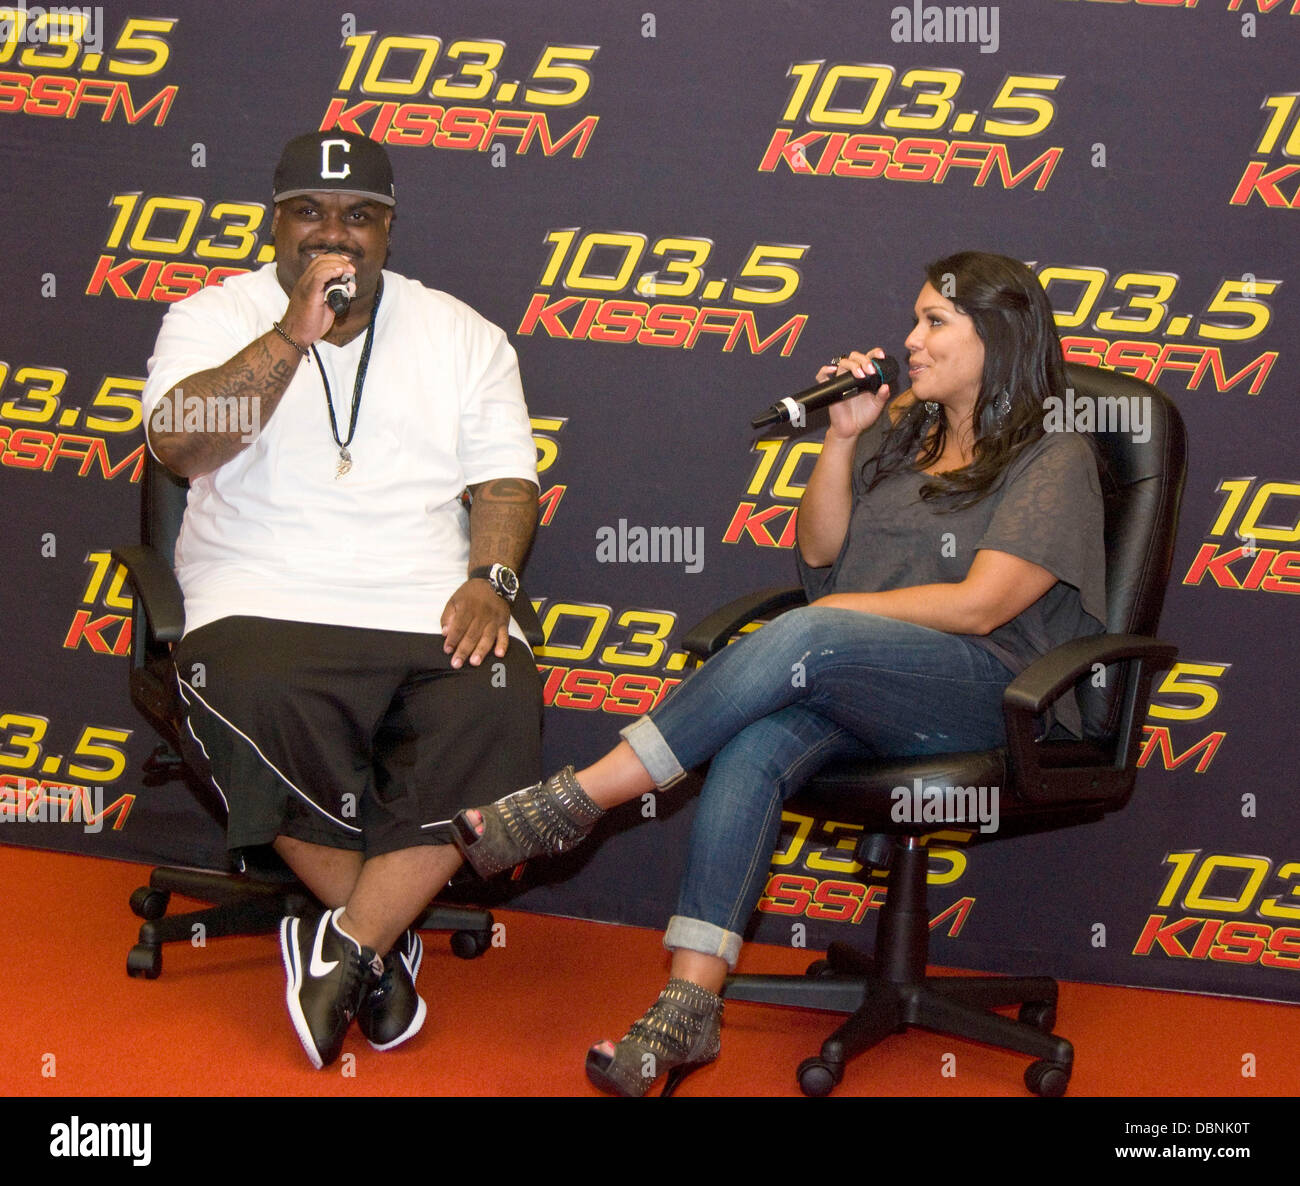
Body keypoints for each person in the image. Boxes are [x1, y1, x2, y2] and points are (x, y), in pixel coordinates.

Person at [448, 251, 1106, 1096]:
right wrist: (842, 439)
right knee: (754, 745)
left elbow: (982, 605)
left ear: (1001, 337)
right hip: (859, 677)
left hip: (988, 692)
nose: (910, 340)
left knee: (808, 635)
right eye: (916, 318)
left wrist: (826, 624)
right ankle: (686, 1009)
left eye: (935, 323)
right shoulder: (908, 433)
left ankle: (575, 801)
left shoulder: (1054, 453)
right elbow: (822, 553)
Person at [140, 130, 542, 1069]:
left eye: (358, 216)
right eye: (311, 214)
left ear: (389, 231)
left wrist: (492, 581)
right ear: (274, 224)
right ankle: (379, 943)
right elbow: (178, 447)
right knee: (253, 689)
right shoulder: (209, 313)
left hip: (418, 596)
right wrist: (291, 334)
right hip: (256, 589)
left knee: (498, 697)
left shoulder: (463, 332)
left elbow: (507, 485)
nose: (336, 235)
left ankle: (346, 945)